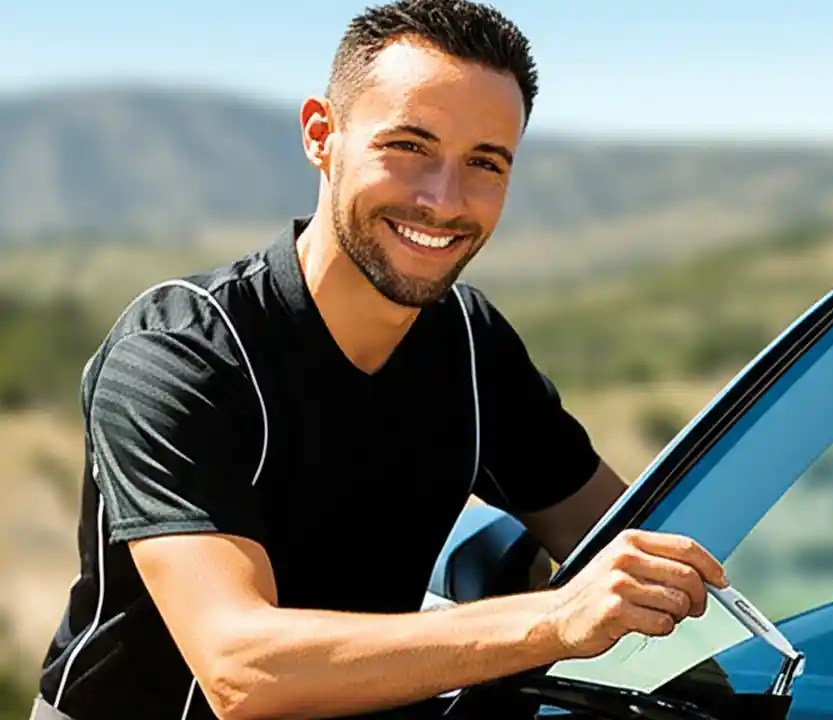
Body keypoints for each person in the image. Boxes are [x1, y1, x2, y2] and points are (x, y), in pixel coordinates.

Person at [32, 2, 728, 718]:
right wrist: (554, 620)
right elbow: (241, 669)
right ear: (321, 135)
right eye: (409, 146)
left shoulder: (469, 343)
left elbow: (625, 538)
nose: (443, 200)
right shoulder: (179, 353)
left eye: (485, 162)